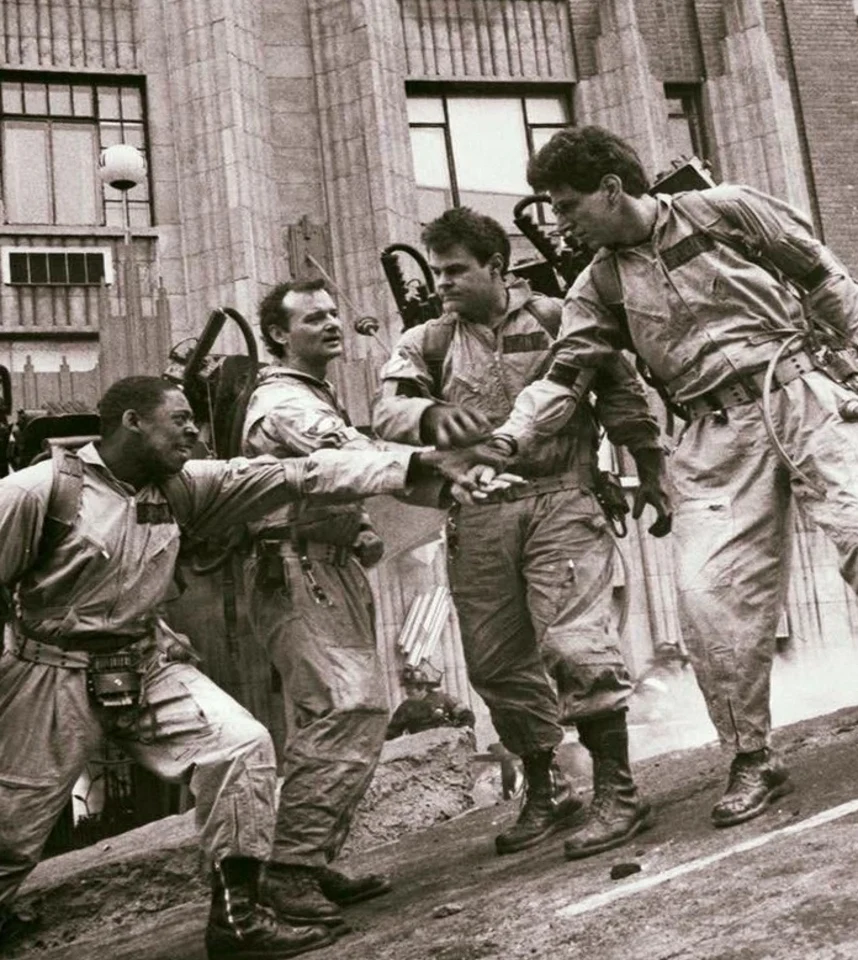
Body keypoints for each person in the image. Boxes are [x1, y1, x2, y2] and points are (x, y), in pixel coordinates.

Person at [0, 375, 484, 957]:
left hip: (142, 662)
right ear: (132, 422)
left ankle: (238, 918)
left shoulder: (181, 487)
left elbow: (296, 474)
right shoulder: (40, 491)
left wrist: (414, 463)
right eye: (179, 419)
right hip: (49, 671)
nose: (193, 430)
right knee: (13, 829)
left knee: (241, 746)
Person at [478, 124, 858, 830]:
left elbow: (824, 276)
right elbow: (564, 377)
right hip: (711, 435)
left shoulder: (727, 209)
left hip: (801, 390)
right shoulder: (598, 287)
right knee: (708, 599)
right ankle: (752, 757)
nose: (560, 223)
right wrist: (508, 437)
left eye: (566, 206)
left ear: (611, 190)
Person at [372, 207, 670, 861]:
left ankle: (617, 791)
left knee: (573, 641)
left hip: (561, 497)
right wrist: (429, 413)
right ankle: (548, 788)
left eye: (456, 270)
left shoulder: (560, 317)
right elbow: (387, 409)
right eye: (438, 271)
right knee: (495, 662)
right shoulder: (428, 341)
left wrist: (650, 469)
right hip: (479, 514)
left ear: (497, 267)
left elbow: (620, 392)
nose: (443, 283)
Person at [240, 279, 509, 932]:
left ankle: (310, 859)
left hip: (326, 564)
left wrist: (376, 517)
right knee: (348, 710)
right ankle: (290, 871)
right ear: (278, 335)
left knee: (331, 716)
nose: (332, 324)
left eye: (334, 313)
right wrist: (438, 461)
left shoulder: (313, 394)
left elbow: (336, 480)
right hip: (297, 568)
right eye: (313, 318)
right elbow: (346, 458)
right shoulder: (280, 401)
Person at [385, 666, 476, 739]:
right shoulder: (405, 708)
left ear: (422, 687)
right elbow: (392, 732)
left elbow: (467, 717)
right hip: (420, 747)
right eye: (407, 687)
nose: (408, 691)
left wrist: (460, 734)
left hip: (446, 743)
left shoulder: (444, 699)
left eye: (411, 687)